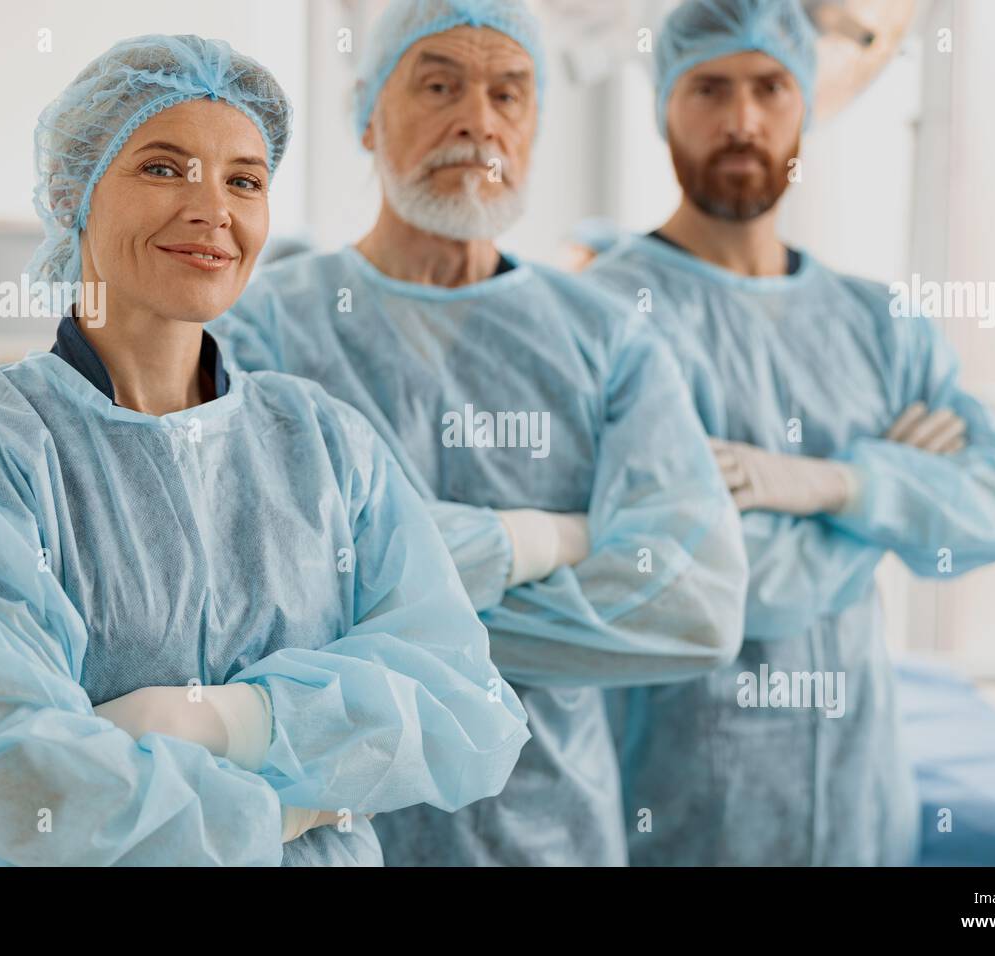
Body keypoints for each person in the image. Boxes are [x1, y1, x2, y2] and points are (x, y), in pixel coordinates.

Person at [0, 34, 528, 867]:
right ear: (74, 189)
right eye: (162, 167)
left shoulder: (326, 444)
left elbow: (460, 703)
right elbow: (21, 772)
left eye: (244, 181)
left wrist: (226, 723)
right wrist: (292, 806)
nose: (212, 208)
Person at [209, 0, 748, 866]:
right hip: (330, 834)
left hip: (550, 829)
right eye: (438, 84)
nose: (478, 121)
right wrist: (547, 541)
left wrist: (383, 621)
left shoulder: (608, 341)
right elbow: (260, 593)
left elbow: (694, 605)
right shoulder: (262, 328)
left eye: (511, 92)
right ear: (366, 115)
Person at [589, 0, 995, 865]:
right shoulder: (609, 318)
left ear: (806, 102)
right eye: (709, 87)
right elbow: (704, 577)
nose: (743, 119)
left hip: (865, 810)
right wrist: (901, 504)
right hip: (685, 811)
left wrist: (842, 485)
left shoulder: (878, 324)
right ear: (663, 106)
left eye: (771, 86)